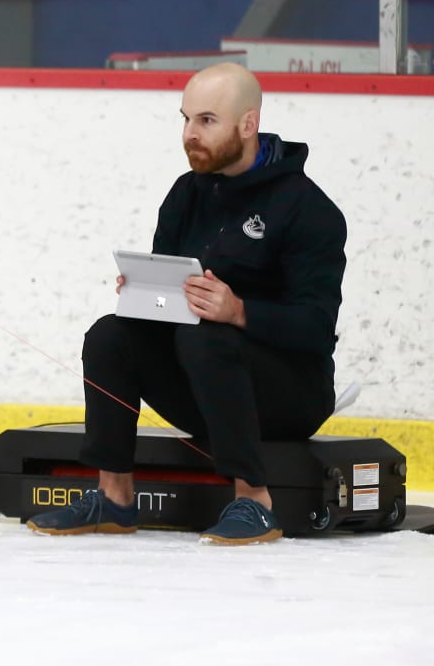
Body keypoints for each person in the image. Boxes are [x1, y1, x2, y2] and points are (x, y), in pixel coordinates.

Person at [27, 62, 347, 545]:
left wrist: (239, 311)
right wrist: (144, 292)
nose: (190, 134)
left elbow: (316, 330)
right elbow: (168, 311)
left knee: (207, 335)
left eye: (206, 121)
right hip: (204, 383)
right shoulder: (185, 193)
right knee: (111, 334)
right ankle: (114, 496)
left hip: (290, 394)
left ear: (248, 124)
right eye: (185, 119)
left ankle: (254, 502)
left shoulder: (309, 211)